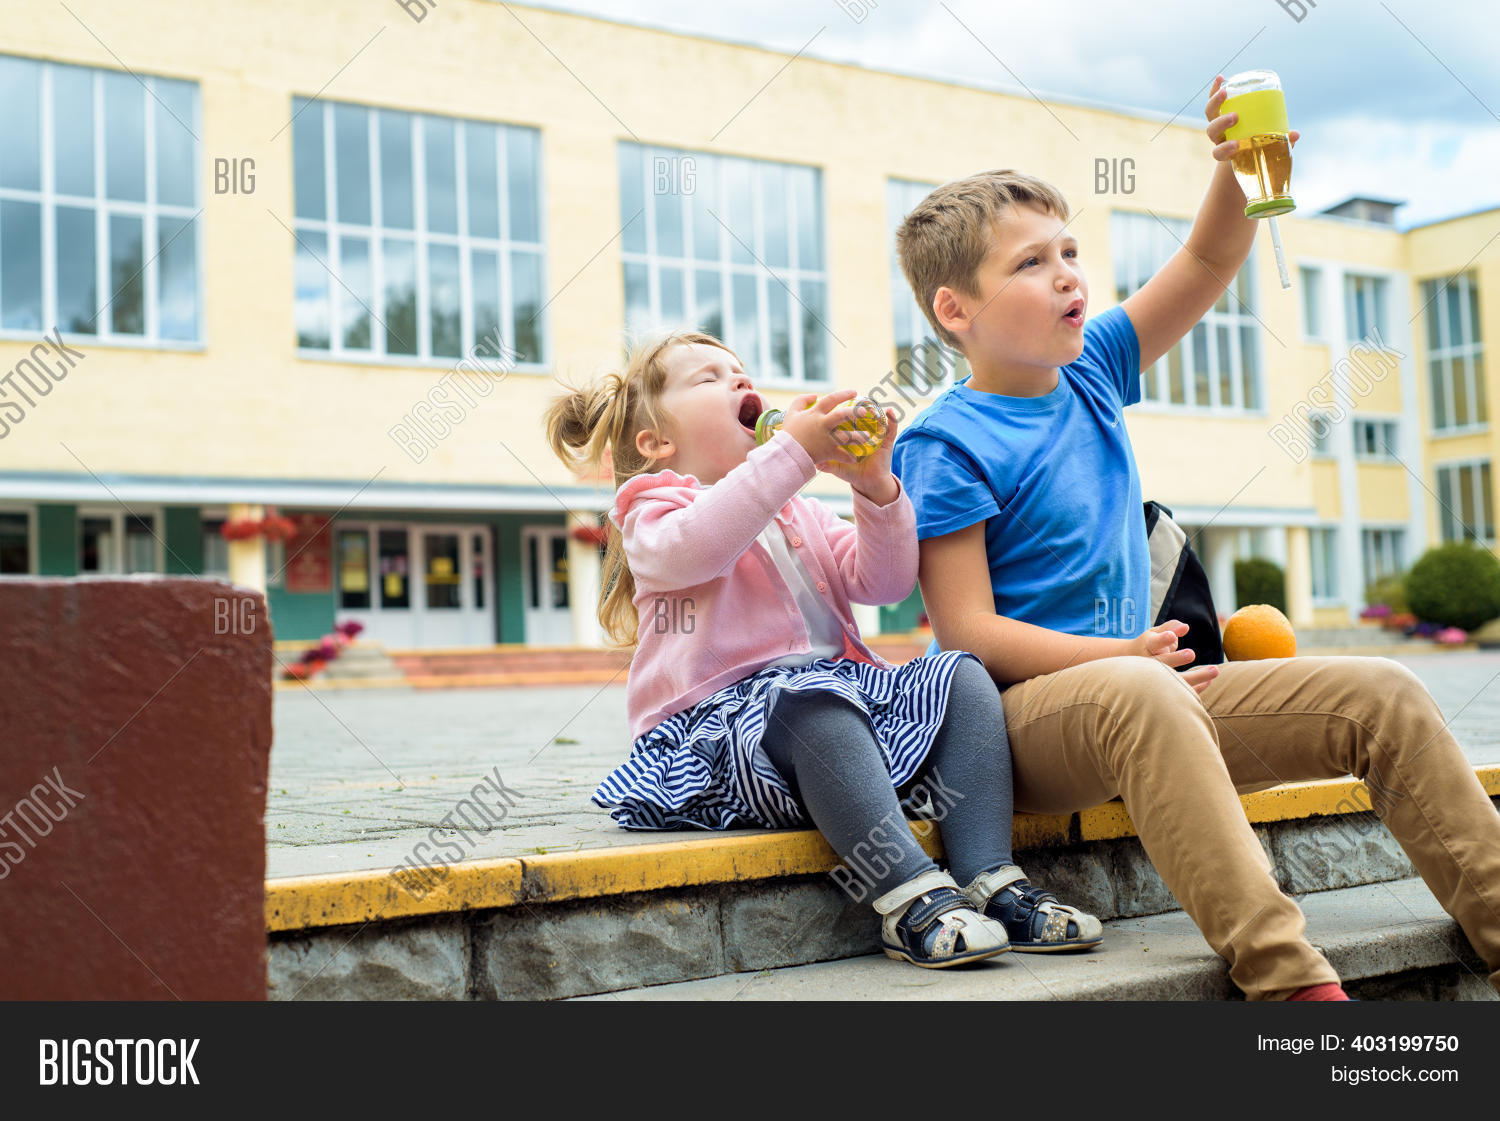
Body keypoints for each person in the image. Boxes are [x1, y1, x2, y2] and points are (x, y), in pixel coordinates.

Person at [890, 75, 1500, 1000]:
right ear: (955, 310)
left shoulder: (1092, 365)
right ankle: (1292, 985)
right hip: (1022, 731)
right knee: (1144, 690)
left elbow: (1209, 262)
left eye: (1070, 251)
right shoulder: (945, 442)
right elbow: (968, 633)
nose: (1068, 276)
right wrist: (1121, 652)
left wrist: (1237, 172)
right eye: (1030, 264)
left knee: (1384, 690)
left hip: (1150, 696)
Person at [543, 330, 1103, 968]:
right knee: (813, 697)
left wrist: (875, 488)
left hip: (835, 711)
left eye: (742, 372)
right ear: (657, 442)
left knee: (961, 675)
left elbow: (884, 582)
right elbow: (700, 545)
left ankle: (991, 877)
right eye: (709, 379)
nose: (740, 383)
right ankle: (908, 897)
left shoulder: (799, 510)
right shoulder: (653, 511)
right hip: (720, 736)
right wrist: (791, 455)